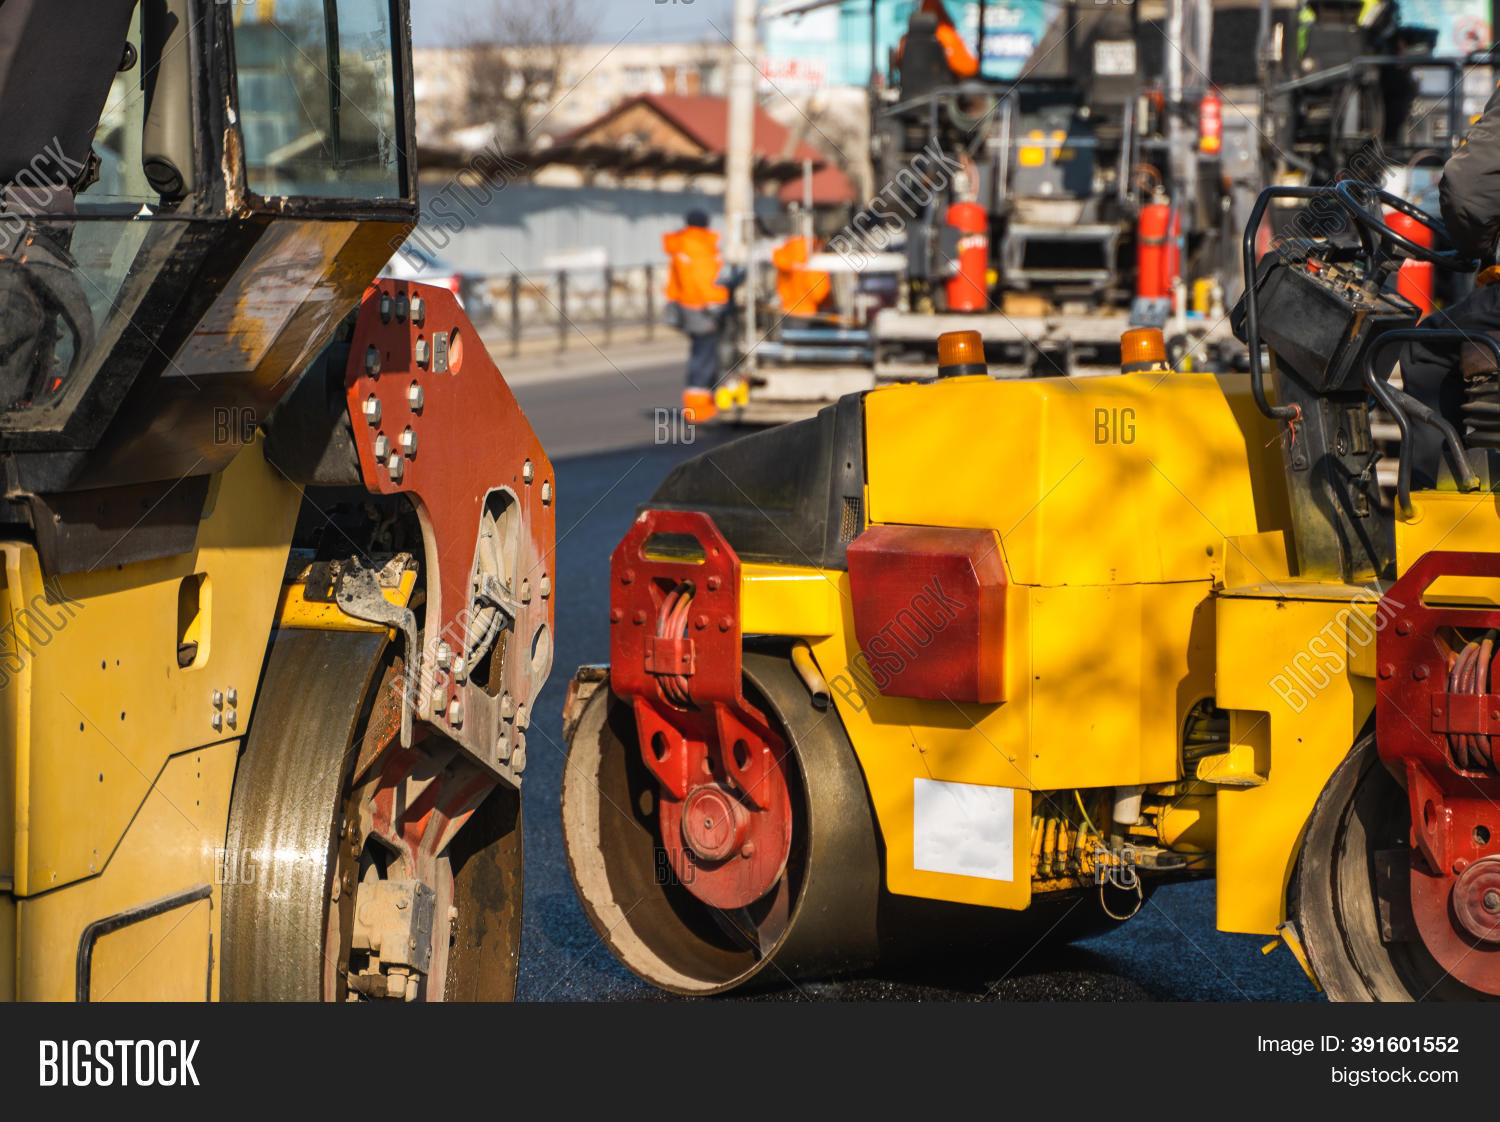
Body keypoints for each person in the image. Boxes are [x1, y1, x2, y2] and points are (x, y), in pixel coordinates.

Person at [663, 209, 729, 422]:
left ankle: (704, 402)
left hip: (693, 306)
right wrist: (711, 302)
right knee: (704, 353)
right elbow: (700, 279)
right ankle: (698, 407)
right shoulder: (696, 244)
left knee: (703, 351)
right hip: (702, 307)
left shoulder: (688, 242)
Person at [771, 232, 832, 320]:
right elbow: (818, 290)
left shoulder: (787, 250)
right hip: (806, 309)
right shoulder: (811, 249)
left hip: (791, 307)